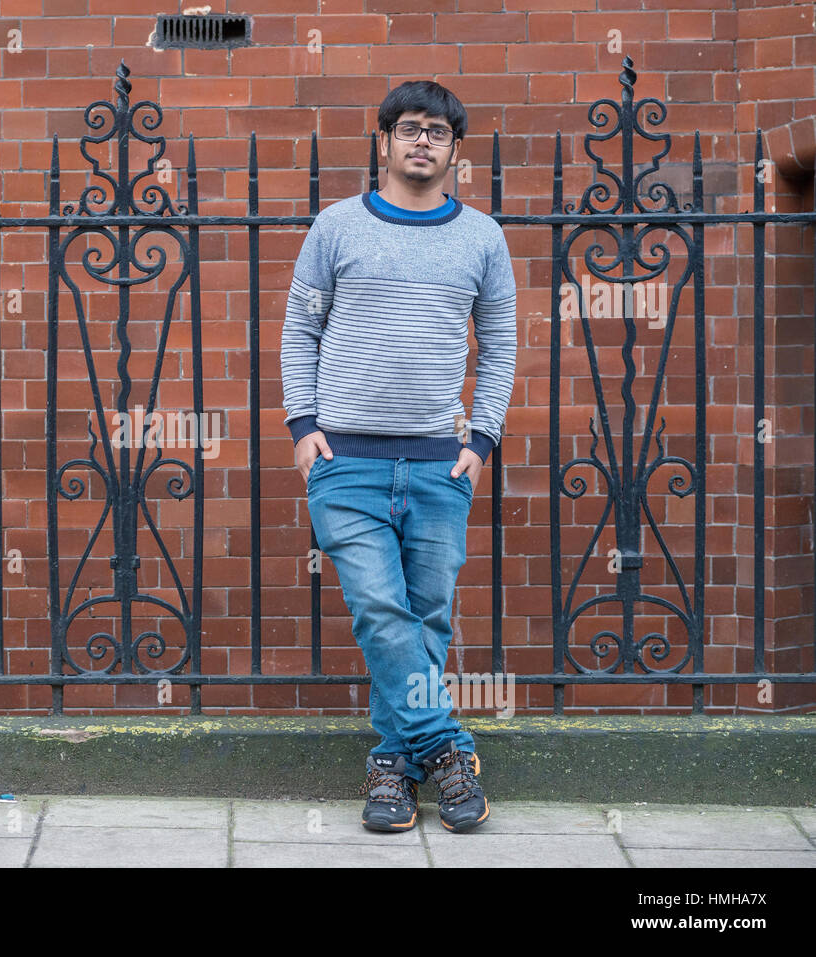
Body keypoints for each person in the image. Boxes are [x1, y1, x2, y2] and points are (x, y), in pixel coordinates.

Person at [280, 80, 517, 834]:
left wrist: (482, 440)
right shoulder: (336, 226)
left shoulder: (482, 237)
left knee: (427, 620)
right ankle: (448, 749)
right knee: (383, 613)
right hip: (343, 463)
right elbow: (300, 329)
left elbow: (502, 343)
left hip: (440, 466)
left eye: (438, 133)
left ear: (455, 150)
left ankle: (391, 762)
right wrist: (303, 426)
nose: (423, 142)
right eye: (410, 129)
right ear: (382, 140)